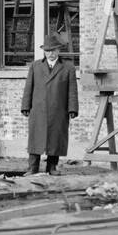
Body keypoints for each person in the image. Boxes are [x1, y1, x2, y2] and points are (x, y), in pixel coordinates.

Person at [20, 30, 77, 175]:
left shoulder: (68, 68)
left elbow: (72, 90)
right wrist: (25, 106)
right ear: (44, 51)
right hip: (38, 109)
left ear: (58, 50)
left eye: (53, 50)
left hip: (58, 109)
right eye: (47, 51)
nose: (50, 53)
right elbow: (29, 87)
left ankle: (52, 167)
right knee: (35, 138)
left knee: (55, 138)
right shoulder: (35, 66)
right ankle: (32, 168)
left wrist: (73, 109)